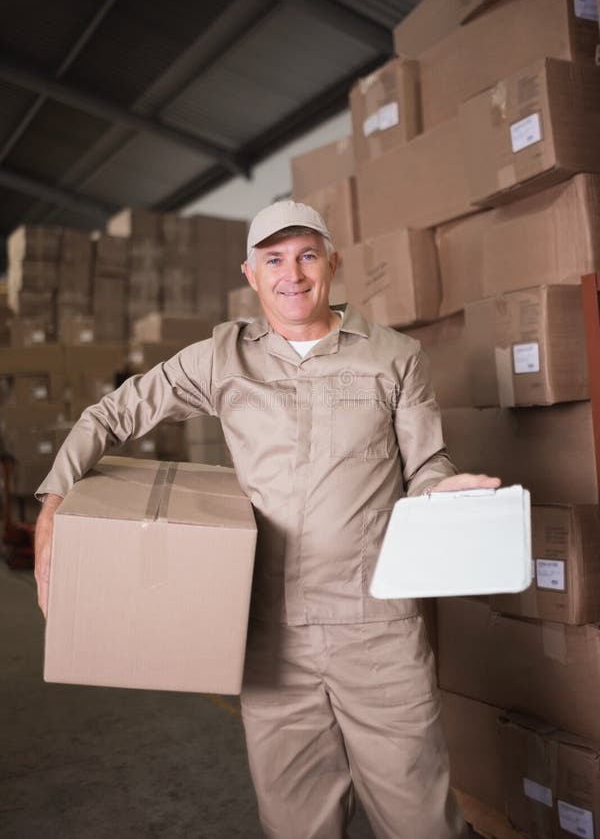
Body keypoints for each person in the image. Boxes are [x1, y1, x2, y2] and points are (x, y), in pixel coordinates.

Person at [35, 200, 498, 839]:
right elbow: (109, 416)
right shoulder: (222, 358)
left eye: (307, 255)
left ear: (332, 261)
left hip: (376, 629)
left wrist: (444, 492)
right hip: (267, 636)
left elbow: (426, 463)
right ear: (250, 274)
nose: (293, 274)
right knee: (295, 822)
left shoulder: (395, 357)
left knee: (421, 818)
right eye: (274, 259)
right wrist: (54, 504)